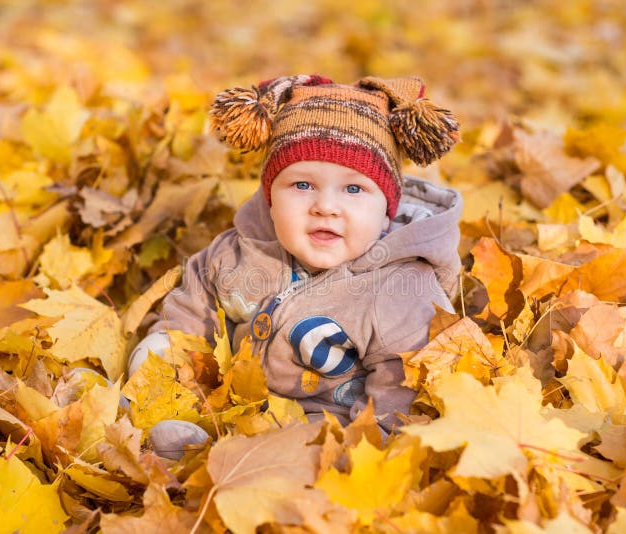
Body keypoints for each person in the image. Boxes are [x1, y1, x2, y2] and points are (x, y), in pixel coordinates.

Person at [131, 74, 463, 459]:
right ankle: (146, 419)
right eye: (303, 185)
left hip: (329, 423)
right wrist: (168, 349)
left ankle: (229, 458)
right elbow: (191, 308)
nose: (325, 206)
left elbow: (400, 395)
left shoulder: (403, 291)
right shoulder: (241, 251)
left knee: (301, 451)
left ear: (385, 212)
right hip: (236, 397)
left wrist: (365, 447)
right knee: (154, 363)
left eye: (354, 189)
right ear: (270, 198)